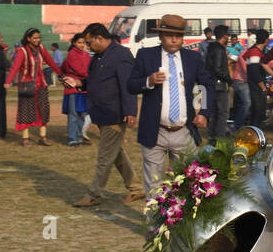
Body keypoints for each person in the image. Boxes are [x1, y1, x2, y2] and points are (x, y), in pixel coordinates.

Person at [127, 13, 212, 196]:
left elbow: (206, 85)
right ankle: (155, 216)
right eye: (169, 35)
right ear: (160, 36)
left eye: (178, 36)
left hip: (183, 131)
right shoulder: (146, 56)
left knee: (186, 183)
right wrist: (148, 81)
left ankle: (179, 215)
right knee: (154, 185)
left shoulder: (193, 58)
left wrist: (204, 112)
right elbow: (131, 85)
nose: (174, 39)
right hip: (154, 131)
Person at [72, 22, 145, 207]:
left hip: (115, 114)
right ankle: (136, 188)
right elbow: (95, 81)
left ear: (99, 38)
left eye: (89, 43)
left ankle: (94, 194)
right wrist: (79, 83)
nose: (88, 47)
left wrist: (130, 111)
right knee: (116, 153)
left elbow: (128, 85)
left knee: (105, 157)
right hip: (101, 113)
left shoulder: (121, 55)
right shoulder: (98, 57)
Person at [6, 28, 65, 145]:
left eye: (39, 37)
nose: (38, 40)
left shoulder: (41, 48)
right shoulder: (22, 51)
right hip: (26, 85)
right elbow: (15, 67)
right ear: (28, 39)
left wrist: (61, 74)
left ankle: (43, 136)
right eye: (35, 38)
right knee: (26, 111)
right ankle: (25, 138)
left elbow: (50, 61)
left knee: (43, 110)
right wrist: (8, 81)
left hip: (41, 84)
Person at [204, 24, 234, 142]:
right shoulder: (219, 49)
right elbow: (218, 69)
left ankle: (212, 136)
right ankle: (220, 137)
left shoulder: (211, 47)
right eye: (228, 35)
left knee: (215, 113)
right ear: (224, 36)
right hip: (220, 85)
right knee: (223, 113)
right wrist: (229, 80)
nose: (229, 37)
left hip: (212, 84)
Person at [61, 32, 92, 145]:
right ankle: (72, 138)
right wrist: (90, 76)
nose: (82, 44)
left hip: (84, 88)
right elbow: (81, 71)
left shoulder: (86, 55)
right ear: (74, 43)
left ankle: (79, 137)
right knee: (73, 114)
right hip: (73, 88)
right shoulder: (72, 54)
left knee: (82, 114)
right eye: (79, 42)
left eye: (83, 42)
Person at [242, 29, 270, 127]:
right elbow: (255, 72)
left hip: (254, 84)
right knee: (258, 111)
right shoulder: (255, 52)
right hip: (256, 86)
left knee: (256, 111)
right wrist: (263, 86)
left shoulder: (254, 50)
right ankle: (254, 132)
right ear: (266, 40)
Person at [230, 35, 250, 129]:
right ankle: (236, 124)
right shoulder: (243, 53)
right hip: (240, 81)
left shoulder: (241, 49)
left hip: (244, 81)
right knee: (247, 103)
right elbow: (246, 70)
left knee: (242, 103)